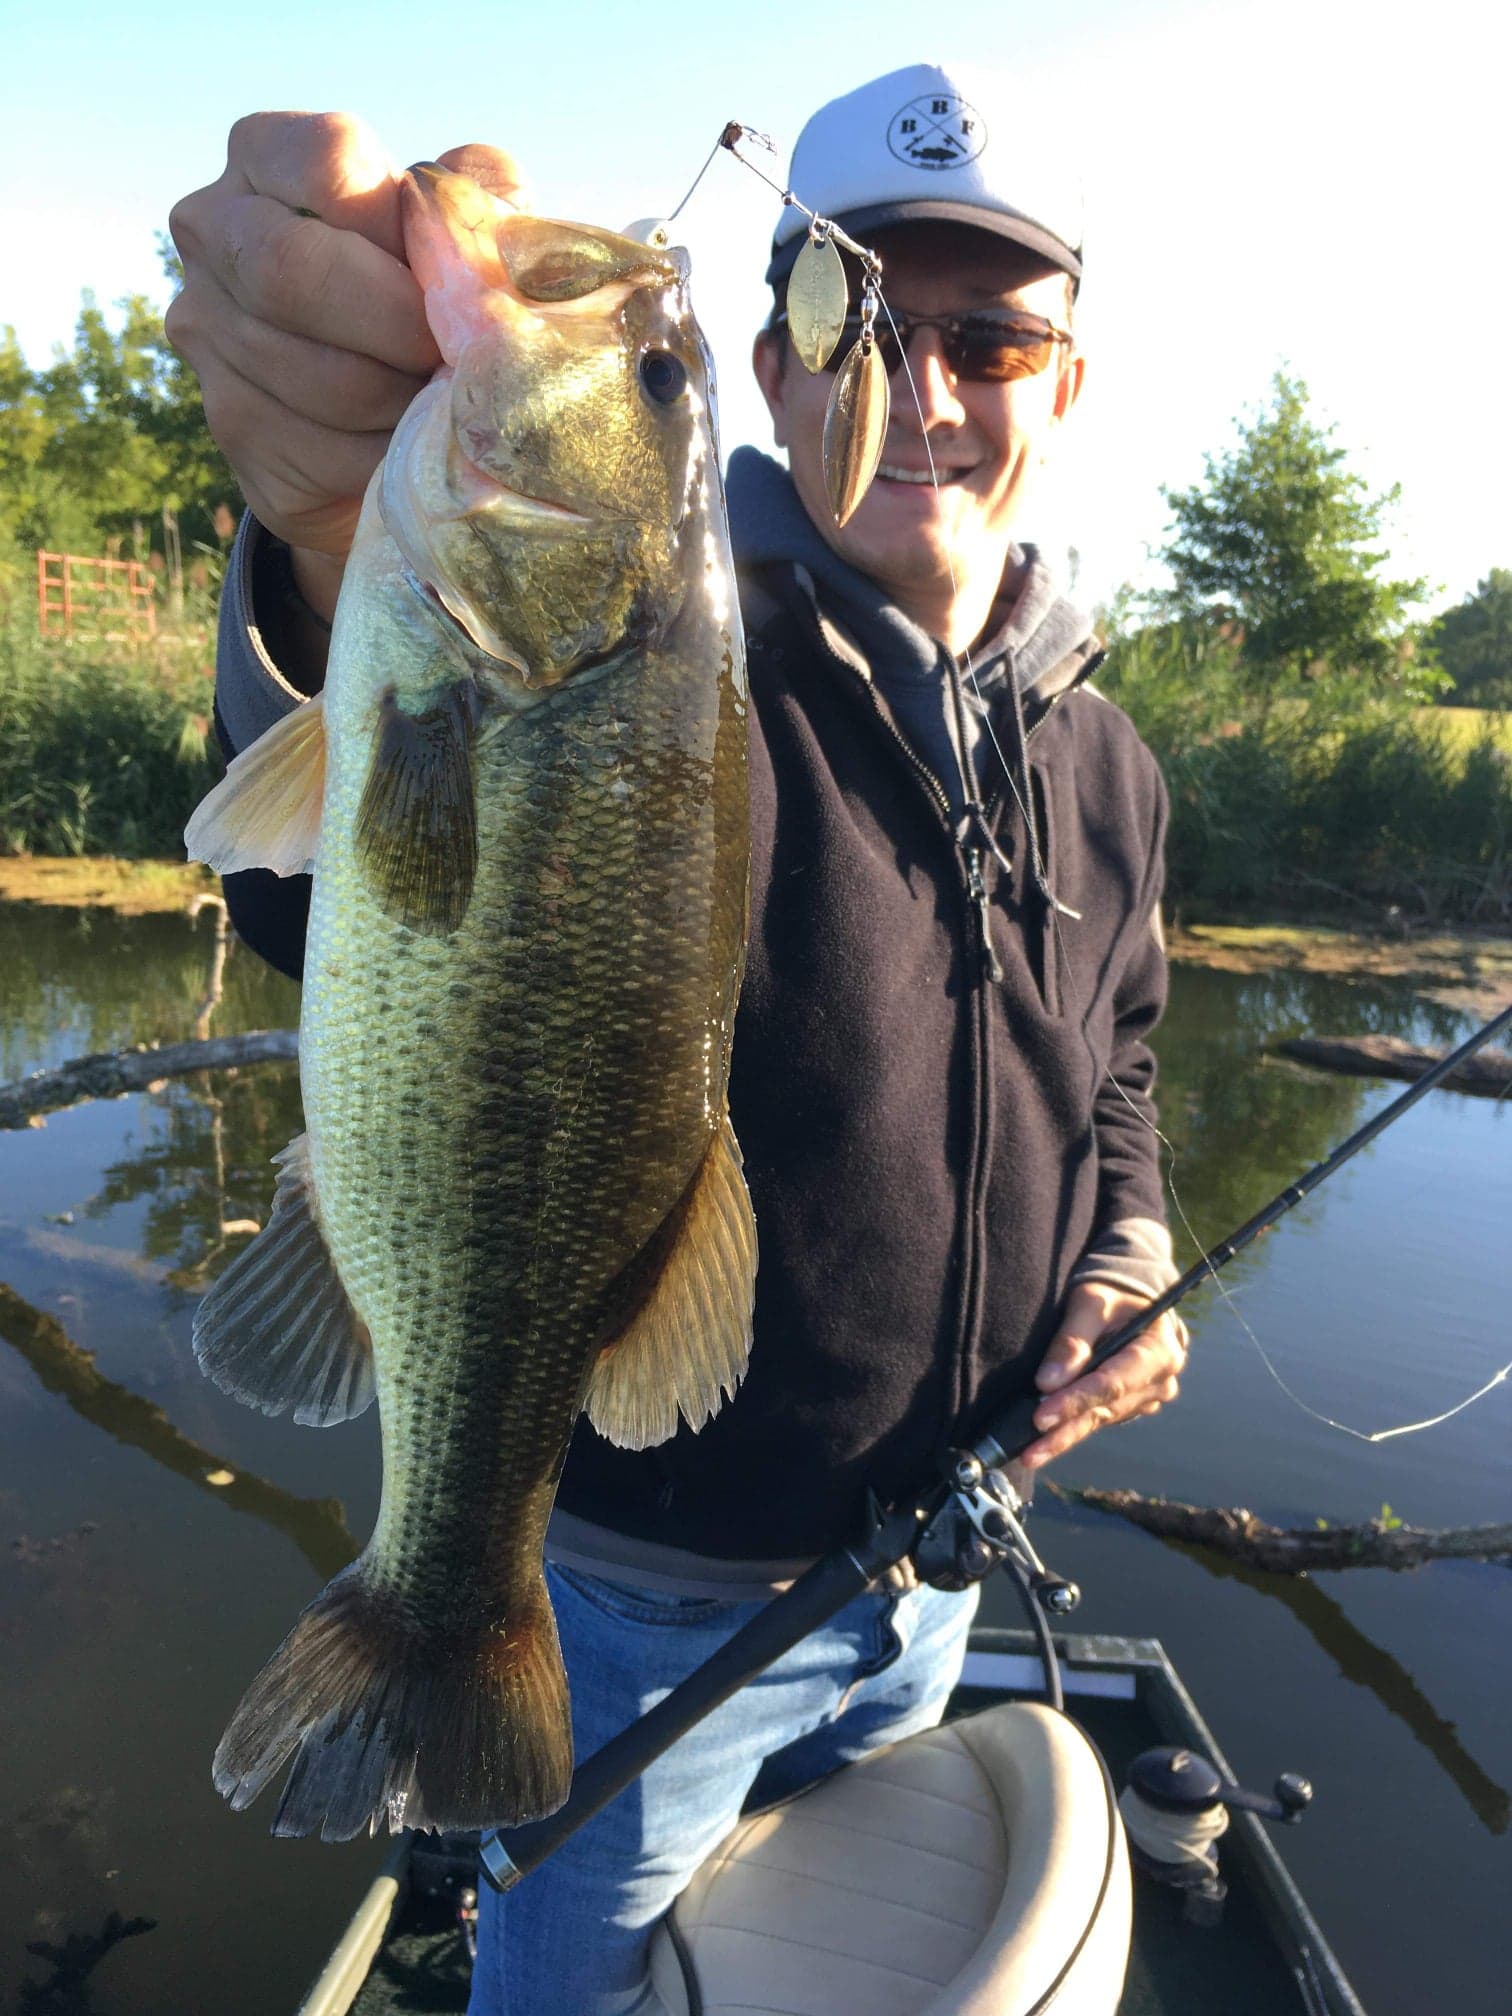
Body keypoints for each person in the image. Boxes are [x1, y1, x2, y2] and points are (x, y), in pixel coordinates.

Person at [168, 61, 1188, 2016]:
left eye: (990, 333)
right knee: (572, 1970)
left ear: (1069, 378)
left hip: (927, 1581)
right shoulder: (692, 662)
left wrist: (1128, 1248)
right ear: (777, 349)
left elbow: (1120, 1058)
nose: (926, 381)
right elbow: (314, 890)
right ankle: (451, 1634)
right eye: (852, 314)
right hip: (634, 1602)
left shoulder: (1113, 763)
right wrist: (314, 550)